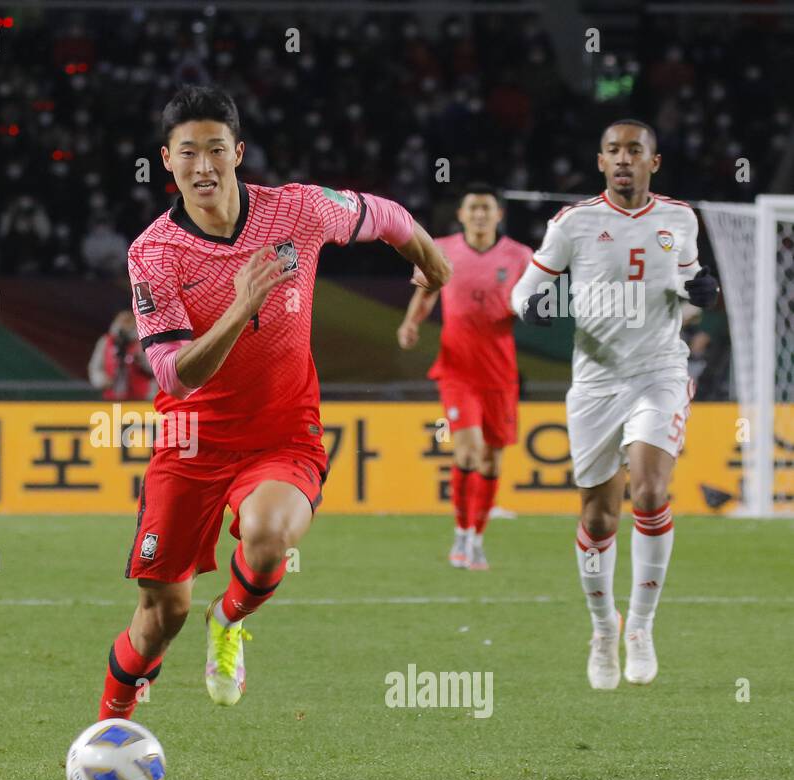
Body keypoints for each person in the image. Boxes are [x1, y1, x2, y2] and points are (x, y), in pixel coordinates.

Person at [95, 86, 451, 719]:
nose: (203, 167)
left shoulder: (301, 211)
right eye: (187, 154)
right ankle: (110, 726)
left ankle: (229, 618)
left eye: (215, 150)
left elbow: (387, 215)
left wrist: (431, 262)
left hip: (283, 436)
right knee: (159, 616)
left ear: (239, 152)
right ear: (166, 161)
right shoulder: (153, 253)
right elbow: (175, 376)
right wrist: (240, 306)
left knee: (266, 537)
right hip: (191, 443)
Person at [510, 119, 719, 689]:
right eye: (613, 151)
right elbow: (524, 289)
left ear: (655, 162)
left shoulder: (680, 219)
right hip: (596, 385)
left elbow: (689, 286)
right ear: (600, 162)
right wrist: (531, 306)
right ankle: (604, 627)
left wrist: (699, 291)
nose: (623, 159)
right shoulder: (574, 223)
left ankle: (642, 627)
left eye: (635, 150)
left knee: (650, 491)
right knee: (598, 517)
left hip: (659, 371)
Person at [398, 183, 533, 570]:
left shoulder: (520, 256)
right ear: (460, 214)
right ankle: (459, 535)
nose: (478, 215)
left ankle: (477, 536)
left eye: (485, 208)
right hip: (457, 369)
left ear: (498, 215)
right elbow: (426, 292)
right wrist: (411, 324)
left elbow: (534, 301)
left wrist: (531, 309)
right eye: (472, 208)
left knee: (491, 462)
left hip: (501, 372)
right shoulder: (441, 249)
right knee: (468, 451)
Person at [88, 310, 155, 400]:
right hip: (111, 397)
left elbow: (154, 369)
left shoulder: (143, 341)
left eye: (128, 321)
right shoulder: (106, 341)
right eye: (122, 321)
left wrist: (140, 360)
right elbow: (95, 368)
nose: (125, 325)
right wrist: (102, 380)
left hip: (141, 397)